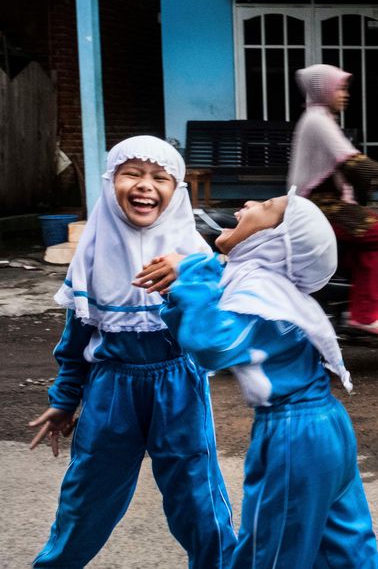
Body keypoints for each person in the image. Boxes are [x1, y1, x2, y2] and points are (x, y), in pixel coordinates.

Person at [28, 136, 236, 568]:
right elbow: (77, 338)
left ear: (176, 191)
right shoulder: (91, 253)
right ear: (111, 183)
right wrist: (65, 400)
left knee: (198, 497)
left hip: (179, 385)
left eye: (160, 177)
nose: (145, 186)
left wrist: (188, 273)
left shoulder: (194, 254)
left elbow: (215, 331)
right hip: (111, 389)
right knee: (86, 494)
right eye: (131, 174)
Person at [149, 188, 378, 568]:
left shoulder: (260, 291)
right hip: (327, 424)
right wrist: (185, 286)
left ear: (275, 240)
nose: (248, 204)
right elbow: (206, 329)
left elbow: (211, 345)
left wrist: (192, 269)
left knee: (270, 554)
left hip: (295, 434)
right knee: (346, 547)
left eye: (267, 207)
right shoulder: (275, 290)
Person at [288, 63, 378, 337]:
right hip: (320, 207)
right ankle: (366, 316)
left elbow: (349, 161)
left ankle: (358, 307)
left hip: (325, 204)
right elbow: (352, 161)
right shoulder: (317, 120)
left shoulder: (320, 117)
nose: (345, 94)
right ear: (324, 89)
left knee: (373, 234)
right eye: (340, 88)